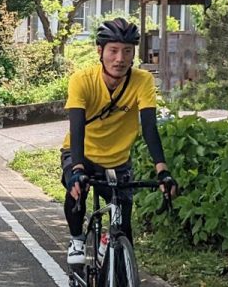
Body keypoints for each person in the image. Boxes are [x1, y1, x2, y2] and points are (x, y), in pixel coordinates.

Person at [61, 17, 178, 266]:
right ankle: (77, 239)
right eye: (113, 51)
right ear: (100, 52)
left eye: (127, 51)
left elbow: (148, 126)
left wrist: (162, 170)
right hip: (82, 152)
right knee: (77, 192)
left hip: (118, 162)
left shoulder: (142, 80)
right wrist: (78, 169)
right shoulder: (82, 80)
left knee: (123, 227)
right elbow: (77, 126)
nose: (120, 58)